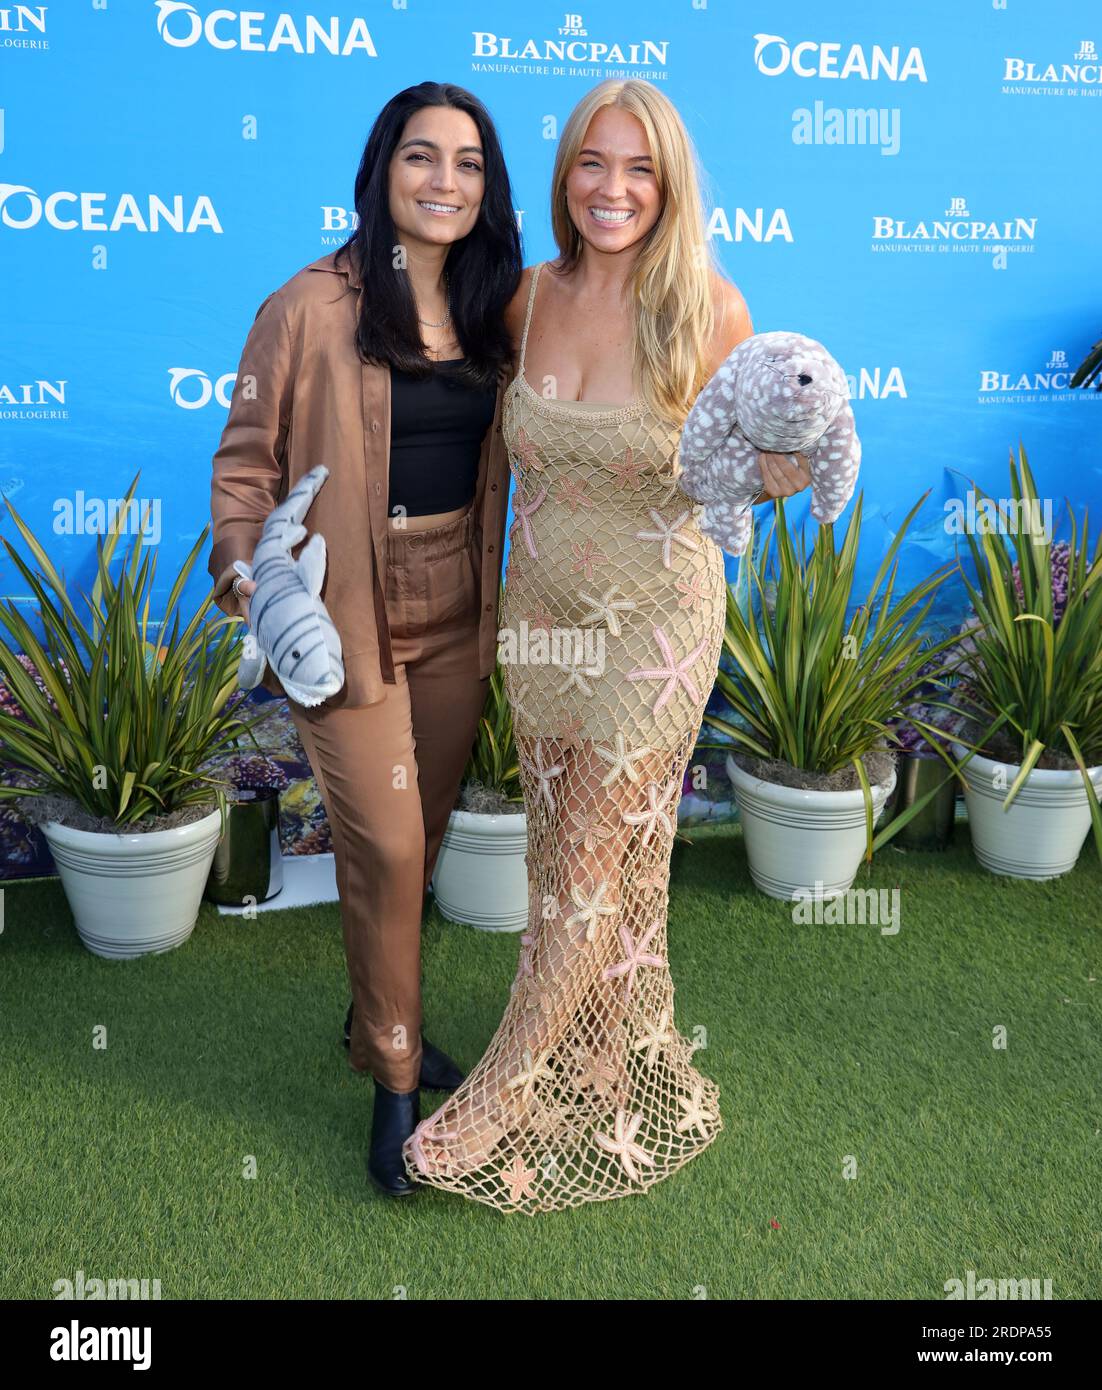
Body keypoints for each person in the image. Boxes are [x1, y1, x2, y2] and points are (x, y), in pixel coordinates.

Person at [404, 78, 811, 1212]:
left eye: (637, 168)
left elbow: (751, 477)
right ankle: (607, 1047)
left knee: (591, 860)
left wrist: (790, 461)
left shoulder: (709, 311)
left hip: (655, 627)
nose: (613, 189)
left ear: (669, 183)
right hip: (543, 623)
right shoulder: (523, 302)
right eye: (593, 162)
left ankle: (499, 1091)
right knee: (574, 855)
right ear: (564, 174)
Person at [207, 82, 522, 1197]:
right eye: (421, 158)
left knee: (419, 834)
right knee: (383, 845)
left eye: (469, 164)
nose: (445, 182)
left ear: (489, 188)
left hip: (457, 609)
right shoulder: (306, 306)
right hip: (341, 611)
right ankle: (394, 1081)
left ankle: (368, 1013)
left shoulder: (503, 305)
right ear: (381, 171)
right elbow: (245, 464)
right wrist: (255, 582)